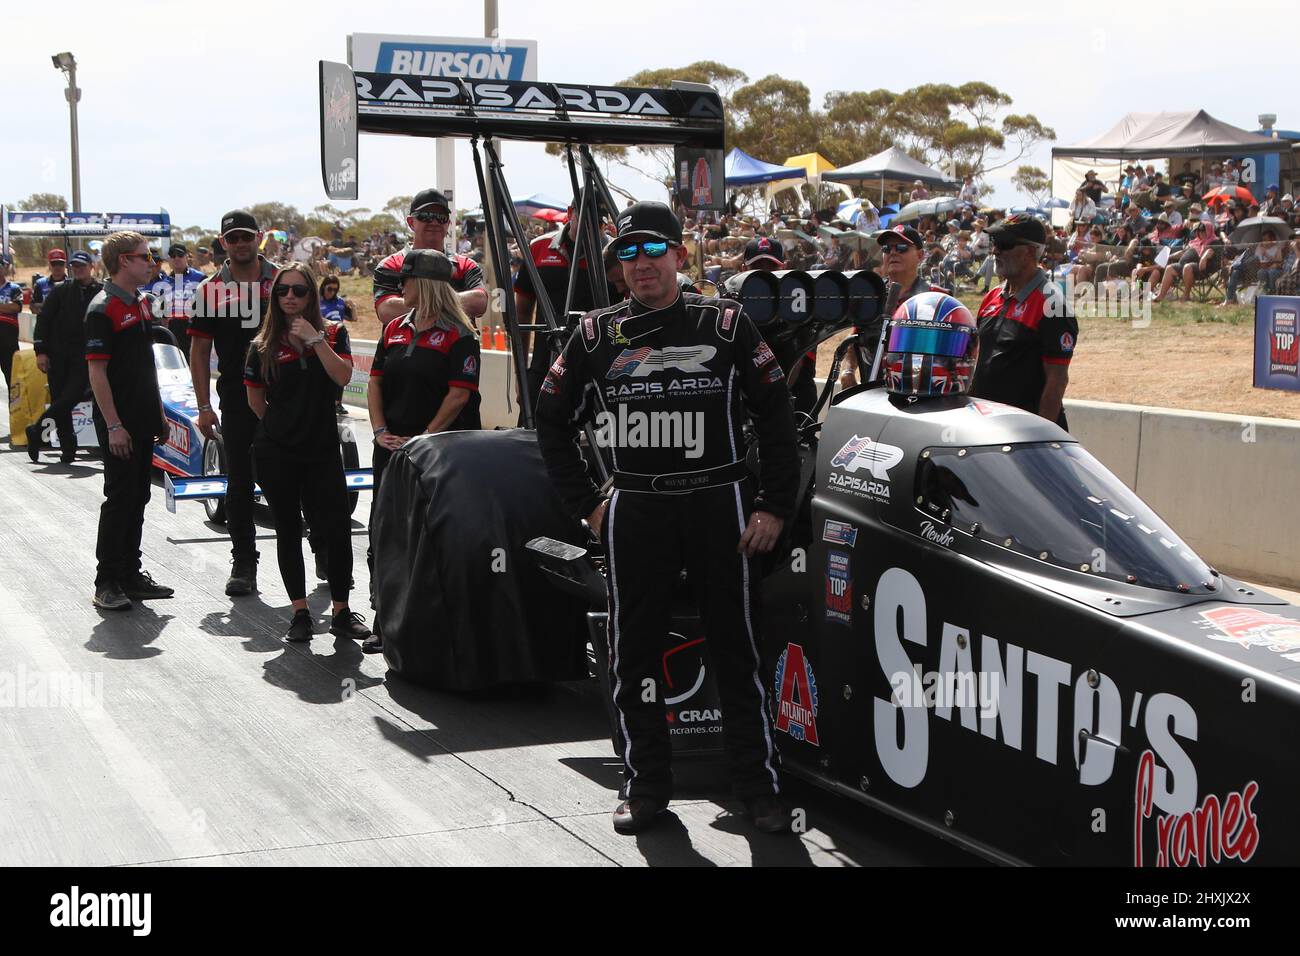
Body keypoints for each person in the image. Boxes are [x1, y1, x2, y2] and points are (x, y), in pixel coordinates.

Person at [535, 201, 798, 836]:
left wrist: (773, 505)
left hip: (722, 503)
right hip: (636, 506)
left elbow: (778, 414)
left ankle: (757, 787)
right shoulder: (597, 333)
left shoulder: (727, 323)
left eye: (654, 251)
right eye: (627, 254)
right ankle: (644, 785)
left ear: (680, 256)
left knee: (736, 649)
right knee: (633, 653)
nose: (641, 264)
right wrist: (590, 505)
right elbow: (549, 415)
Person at [242, 263, 369, 643]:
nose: (290, 298)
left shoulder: (333, 333)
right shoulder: (261, 345)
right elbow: (255, 401)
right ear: (274, 297)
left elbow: (344, 377)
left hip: (323, 450)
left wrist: (316, 341)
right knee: (287, 530)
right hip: (277, 452)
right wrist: (285, 427)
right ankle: (300, 612)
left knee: (336, 529)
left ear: (311, 295)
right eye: (283, 291)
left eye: (299, 290)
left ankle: (342, 611)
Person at [365, 250, 482, 654]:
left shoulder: (460, 334)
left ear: (427, 285)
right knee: (384, 532)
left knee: (434, 537)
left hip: (441, 454)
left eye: (407, 280)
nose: (400, 288)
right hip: (392, 448)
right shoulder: (394, 327)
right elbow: (375, 383)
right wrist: (380, 430)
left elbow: (458, 396)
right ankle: (383, 619)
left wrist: (425, 439)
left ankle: (439, 627)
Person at [189, 210, 278, 596]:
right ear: (223, 242)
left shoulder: (282, 282)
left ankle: (322, 549)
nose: (240, 243)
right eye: (232, 238)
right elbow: (198, 350)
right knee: (239, 478)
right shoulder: (209, 290)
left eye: (246, 236)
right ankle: (244, 561)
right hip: (236, 395)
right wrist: (204, 405)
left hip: (285, 393)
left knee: (299, 475)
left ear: (258, 237)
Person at [83, 232, 174, 610]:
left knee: (138, 495)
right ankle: (107, 581)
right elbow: (97, 373)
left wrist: (158, 414)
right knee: (119, 498)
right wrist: (115, 425)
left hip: (142, 418)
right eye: (145, 256)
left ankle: (130, 574)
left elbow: (146, 366)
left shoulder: (139, 302)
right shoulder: (102, 308)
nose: (151, 262)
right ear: (124, 261)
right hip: (118, 422)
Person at [971, 214, 1077, 428]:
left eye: (1004, 244)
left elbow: (1056, 381)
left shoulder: (1052, 305)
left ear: (1030, 251)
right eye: (994, 243)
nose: (995, 251)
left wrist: (1039, 436)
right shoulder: (991, 297)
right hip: (986, 427)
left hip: (1023, 436)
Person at [514, 206, 616, 415]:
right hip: (543, 367)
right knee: (532, 440)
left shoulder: (616, 255)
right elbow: (521, 314)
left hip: (597, 371)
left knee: (597, 444)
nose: (590, 230)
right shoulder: (538, 248)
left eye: (597, 224)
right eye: (584, 221)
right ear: (571, 213)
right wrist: (521, 374)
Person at [372, 189, 487, 326]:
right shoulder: (390, 265)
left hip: (457, 346)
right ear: (411, 222)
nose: (434, 222)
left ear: (448, 224)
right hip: (407, 347)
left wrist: (416, 303)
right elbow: (387, 310)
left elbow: (479, 301)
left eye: (441, 217)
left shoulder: (466, 265)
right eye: (425, 216)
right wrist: (450, 303)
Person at [839, 224, 932, 388]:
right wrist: (848, 371)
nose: (893, 252)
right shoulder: (870, 296)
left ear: (920, 255)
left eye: (902, 247)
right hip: (873, 397)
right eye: (887, 248)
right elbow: (854, 340)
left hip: (920, 397)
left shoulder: (935, 299)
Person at [30, 251, 101, 461]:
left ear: (91, 267)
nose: (78, 269)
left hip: (86, 355)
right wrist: (40, 351)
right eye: (75, 266)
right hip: (57, 355)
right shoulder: (60, 290)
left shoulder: (101, 291)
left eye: (82, 265)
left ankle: (36, 429)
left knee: (72, 396)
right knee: (60, 398)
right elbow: (43, 321)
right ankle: (68, 448)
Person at [157, 243, 206, 360]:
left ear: (186, 257)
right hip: (173, 329)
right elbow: (163, 314)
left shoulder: (200, 278)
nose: (176, 258)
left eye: (180, 255)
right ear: (169, 260)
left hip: (195, 327)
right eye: (173, 256)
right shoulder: (164, 282)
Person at [0, 258, 22, 398]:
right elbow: (10, 307)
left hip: (8, 340)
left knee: (12, 379)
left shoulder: (14, 288)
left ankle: (15, 413)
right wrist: (5, 307)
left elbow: (16, 307)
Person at [30, 249, 68, 317]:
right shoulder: (40, 284)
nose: (57, 267)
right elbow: (33, 306)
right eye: (54, 264)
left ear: (65, 264)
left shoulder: (72, 284)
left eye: (60, 264)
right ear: (49, 265)